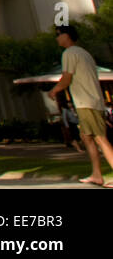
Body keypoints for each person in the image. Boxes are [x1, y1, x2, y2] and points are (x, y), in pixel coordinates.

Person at [49, 25, 113, 187]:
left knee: (100, 138)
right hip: (89, 101)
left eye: (59, 35)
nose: (57, 38)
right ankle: (97, 174)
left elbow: (66, 78)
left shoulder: (69, 53)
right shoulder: (84, 53)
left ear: (67, 36)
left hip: (87, 102)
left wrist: (54, 91)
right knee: (87, 137)